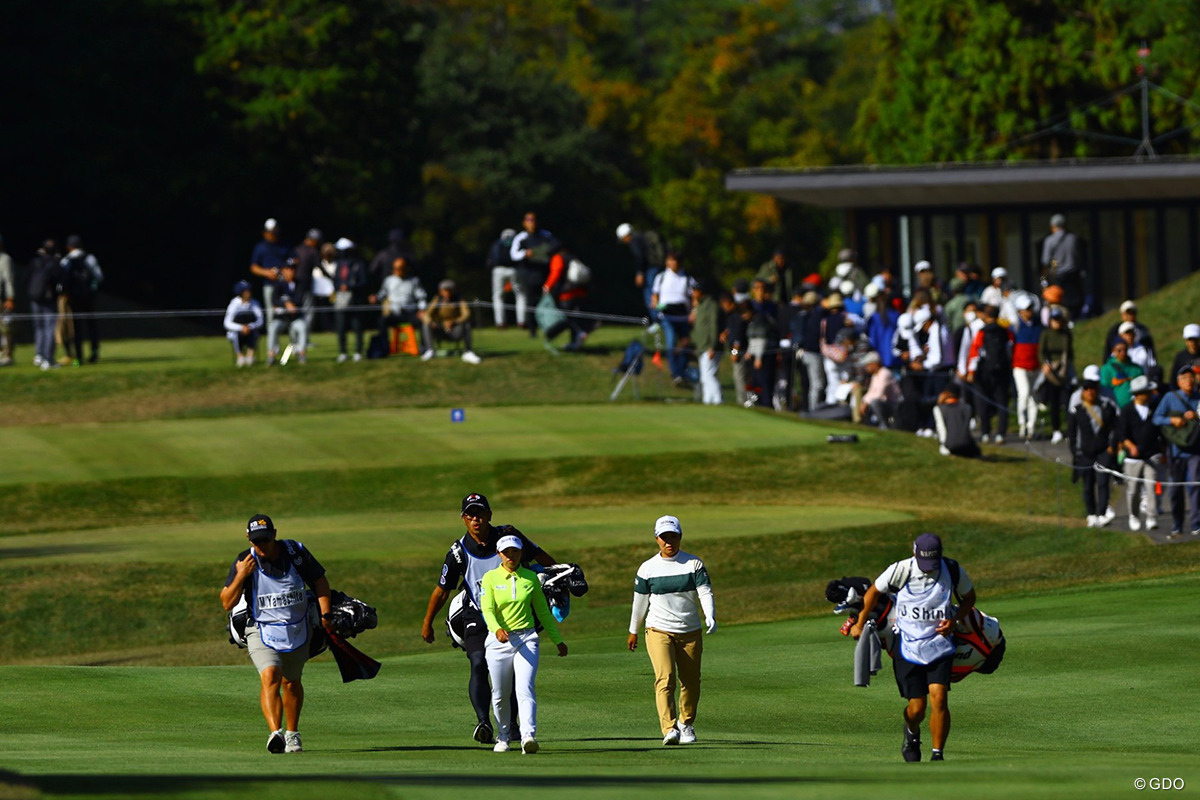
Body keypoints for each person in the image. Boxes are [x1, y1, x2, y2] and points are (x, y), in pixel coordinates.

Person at [421, 493, 559, 745]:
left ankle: (513, 727)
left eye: (480, 514)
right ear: (463, 519)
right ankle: (484, 723)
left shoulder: (509, 538)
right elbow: (442, 590)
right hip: (476, 614)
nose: (476, 519)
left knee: (512, 671)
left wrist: (560, 573)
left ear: (489, 515)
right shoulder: (458, 552)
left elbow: (541, 556)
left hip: (511, 617)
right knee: (478, 662)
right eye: (470, 515)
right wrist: (427, 623)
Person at [850, 533, 976, 762]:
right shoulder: (901, 570)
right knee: (917, 708)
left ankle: (937, 755)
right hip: (907, 645)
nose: (928, 569)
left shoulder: (952, 570)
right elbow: (873, 592)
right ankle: (911, 731)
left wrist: (954, 620)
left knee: (939, 698)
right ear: (914, 554)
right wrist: (859, 623)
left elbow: (969, 598)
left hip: (940, 645)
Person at [220, 514, 333, 755]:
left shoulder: (295, 552)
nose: (261, 545)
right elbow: (227, 602)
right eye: (256, 541)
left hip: (297, 627)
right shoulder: (244, 560)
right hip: (260, 628)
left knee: (291, 682)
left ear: (275, 535)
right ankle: (276, 733)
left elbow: (320, 582)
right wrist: (241, 575)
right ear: (248, 539)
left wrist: (325, 615)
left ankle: (292, 734)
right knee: (270, 674)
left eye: (265, 540)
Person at [628, 515, 716, 747]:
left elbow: (704, 591)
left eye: (673, 536)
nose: (669, 542)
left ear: (680, 537)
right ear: (656, 539)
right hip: (658, 630)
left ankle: (685, 723)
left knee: (691, 682)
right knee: (665, 678)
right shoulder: (647, 568)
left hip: (690, 631)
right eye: (664, 537)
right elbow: (639, 602)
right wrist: (633, 630)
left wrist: (710, 614)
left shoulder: (693, 563)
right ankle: (669, 729)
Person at [478, 534, 568, 754]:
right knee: (500, 693)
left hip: (527, 639)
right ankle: (503, 737)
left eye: (515, 551)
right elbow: (487, 609)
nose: (511, 556)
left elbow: (543, 612)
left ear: (521, 553)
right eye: (506, 552)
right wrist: (496, 629)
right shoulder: (490, 578)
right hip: (498, 641)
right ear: (499, 554)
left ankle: (528, 736)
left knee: (525, 688)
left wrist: (557, 640)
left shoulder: (530, 578)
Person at [1151, 367, 1200, 538]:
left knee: (1195, 487)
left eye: (1191, 377)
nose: (1189, 381)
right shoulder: (1170, 397)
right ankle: (1177, 524)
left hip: (1195, 450)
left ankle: (1196, 523)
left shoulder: (1198, 398)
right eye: (1185, 378)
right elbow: (1156, 418)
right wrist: (1172, 420)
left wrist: (1196, 416)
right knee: (1175, 490)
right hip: (1175, 451)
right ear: (1179, 382)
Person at [1067, 373, 1118, 528]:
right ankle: (1091, 513)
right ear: (1083, 392)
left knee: (1103, 483)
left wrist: (1112, 447)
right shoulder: (1077, 410)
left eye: (1092, 389)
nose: (1090, 392)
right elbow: (1072, 433)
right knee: (1088, 485)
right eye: (1086, 389)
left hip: (1103, 451)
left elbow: (1115, 427)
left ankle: (1102, 512)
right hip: (1085, 453)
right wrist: (1076, 452)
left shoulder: (1106, 407)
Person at [1118, 375, 1162, 531]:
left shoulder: (1154, 408)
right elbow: (1121, 434)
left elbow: (1159, 431)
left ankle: (1151, 517)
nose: (1150, 394)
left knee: (1151, 487)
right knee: (1133, 490)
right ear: (1138, 394)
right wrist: (1130, 446)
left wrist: (1162, 450)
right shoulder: (1127, 410)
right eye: (1147, 392)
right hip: (1133, 458)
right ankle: (1134, 515)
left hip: (1152, 454)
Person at [967, 305, 1013, 444]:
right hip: (1002, 371)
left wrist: (971, 371)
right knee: (1002, 402)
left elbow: (975, 352)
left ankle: (985, 432)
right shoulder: (1005, 331)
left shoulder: (982, 332)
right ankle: (1001, 433)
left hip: (984, 372)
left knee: (982, 403)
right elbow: (1011, 348)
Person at [650, 252, 698, 387]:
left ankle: (682, 372)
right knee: (671, 344)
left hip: (683, 317)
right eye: (670, 260)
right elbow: (654, 295)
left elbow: (695, 297)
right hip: (667, 317)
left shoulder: (687, 278)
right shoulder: (661, 277)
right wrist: (655, 304)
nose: (673, 263)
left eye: (675, 260)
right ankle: (676, 374)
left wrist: (694, 311)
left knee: (685, 345)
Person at [511, 212, 559, 335]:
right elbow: (513, 255)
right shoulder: (521, 237)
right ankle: (532, 329)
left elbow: (556, 245)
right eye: (529, 220)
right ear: (524, 223)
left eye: (533, 220)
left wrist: (544, 251)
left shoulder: (545, 235)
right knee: (530, 301)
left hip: (544, 273)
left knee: (547, 300)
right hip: (528, 274)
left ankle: (549, 326)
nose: (531, 223)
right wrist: (525, 253)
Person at [60, 235, 104, 365]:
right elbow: (99, 276)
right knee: (91, 325)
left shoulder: (66, 260)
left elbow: (62, 281)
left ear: (69, 247)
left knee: (76, 327)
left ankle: (78, 357)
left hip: (74, 298)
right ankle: (94, 352)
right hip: (88, 297)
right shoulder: (89, 258)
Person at [421, 279, 482, 364]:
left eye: (450, 290)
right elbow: (426, 314)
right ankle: (430, 350)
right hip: (439, 329)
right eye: (445, 290)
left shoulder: (459, 299)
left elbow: (466, 314)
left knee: (467, 324)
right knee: (425, 325)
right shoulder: (437, 299)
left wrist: (455, 322)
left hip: (455, 329)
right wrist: (431, 322)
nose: (447, 293)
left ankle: (468, 352)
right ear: (440, 291)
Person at [1039, 305, 1074, 444]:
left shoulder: (1066, 334)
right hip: (1051, 370)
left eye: (1059, 320)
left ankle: (1070, 429)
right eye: (1054, 320)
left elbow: (1070, 353)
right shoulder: (1046, 334)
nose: (1057, 322)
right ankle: (1056, 429)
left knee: (1067, 402)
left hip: (1064, 369)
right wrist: (1045, 364)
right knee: (1054, 402)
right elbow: (1041, 352)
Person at [1041, 213, 1085, 321]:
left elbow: (1045, 260)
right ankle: (1074, 320)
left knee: (1058, 301)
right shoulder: (1073, 238)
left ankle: (1061, 321)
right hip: (1073, 274)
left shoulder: (1050, 240)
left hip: (1058, 276)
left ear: (1052, 226)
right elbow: (1079, 257)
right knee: (1074, 302)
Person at [1011, 294, 1043, 440]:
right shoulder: (1015, 326)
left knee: (1034, 397)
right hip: (1020, 366)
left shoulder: (1038, 325)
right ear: (1019, 311)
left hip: (1035, 365)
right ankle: (1022, 423)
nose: (1029, 312)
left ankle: (1031, 426)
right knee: (1023, 394)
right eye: (1026, 309)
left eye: (1030, 308)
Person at [616, 223, 666, 314]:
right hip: (657, 266)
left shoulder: (634, 241)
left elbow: (640, 257)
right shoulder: (641, 237)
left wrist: (640, 273)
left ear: (625, 236)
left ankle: (657, 317)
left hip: (649, 270)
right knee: (657, 292)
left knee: (650, 294)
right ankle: (662, 316)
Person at [250, 218, 291, 329]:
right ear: (265, 232)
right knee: (271, 313)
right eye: (271, 232)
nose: (273, 235)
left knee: (289, 311)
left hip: (284, 284)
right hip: (269, 284)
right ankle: (272, 339)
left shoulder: (284, 244)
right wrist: (267, 272)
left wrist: (287, 269)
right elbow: (253, 267)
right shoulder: (260, 247)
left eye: (275, 232)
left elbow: (293, 259)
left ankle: (291, 337)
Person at [268, 259, 310, 365]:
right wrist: (286, 303)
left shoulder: (299, 284)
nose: (291, 271)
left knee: (302, 327)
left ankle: (301, 354)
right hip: (281, 318)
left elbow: (299, 300)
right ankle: (271, 355)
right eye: (288, 269)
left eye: (293, 269)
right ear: (283, 270)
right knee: (272, 328)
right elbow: (274, 300)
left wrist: (287, 302)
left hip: (295, 318)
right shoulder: (278, 284)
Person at [28, 240, 62, 370]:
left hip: (35, 299)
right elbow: (61, 282)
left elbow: (27, 279)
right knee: (49, 328)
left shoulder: (35, 262)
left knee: (39, 328)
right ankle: (48, 359)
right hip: (49, 300)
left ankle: (39, 355)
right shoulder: (54, 263)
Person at [332, 238, 368, 362]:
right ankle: (343, 352)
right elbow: (335, 280)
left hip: (355, 300)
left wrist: (350, 286)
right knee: (341, 327)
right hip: (341, 299)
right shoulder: (339, 263)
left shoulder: (358, 264)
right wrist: (339, 286)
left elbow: (363, 281)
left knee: (357, 326)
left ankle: (358, 352)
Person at [689, 281, 722, 405]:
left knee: (708, 376)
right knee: (705, 377)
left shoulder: (711, 304)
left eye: (694, 290)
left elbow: (713, 326)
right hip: (701, 347)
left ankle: (718, 400)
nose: (693, 293)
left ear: (701, 291)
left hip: (709, 347)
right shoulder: (699, 305)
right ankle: (708, 402)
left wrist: (712, 346)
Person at [224, 280, 264, 367]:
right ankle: (240, 357)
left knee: (255, 334)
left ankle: (250, 357)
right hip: (237, 331)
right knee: (235, 335)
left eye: (249, 290)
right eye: (246, 291)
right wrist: (241, 328)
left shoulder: (255, 303)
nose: (248, 293)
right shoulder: (234, 304)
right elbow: (227, 323)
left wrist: (250, 326)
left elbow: (260, 320)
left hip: (250, 330)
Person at [1102, 300, 1156, 364]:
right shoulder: (1114, 331)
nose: (1130, 316)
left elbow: (1150, 351)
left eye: (1132, 313)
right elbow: (1108, 350)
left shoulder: (1143, 330)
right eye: (1128, 313)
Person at [934, 384, 980, 458]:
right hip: (967, 444)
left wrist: (943, 446)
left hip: (950, 445)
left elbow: (941, 430)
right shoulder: (967, 407)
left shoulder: (939, 409)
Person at [488, 228, 521, 328]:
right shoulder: (516, 243)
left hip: (498, 270)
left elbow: (491, 259)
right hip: (514, 269)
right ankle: (522, 322)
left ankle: (500, 322)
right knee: (520, 295)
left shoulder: (497, 244)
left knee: (498, 296)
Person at [1100, 340, 1144, 408]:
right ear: (1113, 351)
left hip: (1135, 406)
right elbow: (1105, 389)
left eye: (1125, 350)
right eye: (1119, 350)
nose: (1122, 352)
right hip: (1116, 407)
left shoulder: (1136, 368)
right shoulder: (1107, 369)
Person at [1169, 324, 1200, 389]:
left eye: (1195, 339)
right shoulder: (1180, 357)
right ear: (1186, 341)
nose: (1192, 342)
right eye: (1190, 339)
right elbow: (1174, 379)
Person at [0, 234, 13, 366]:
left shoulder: (5, 259)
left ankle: (7, 356)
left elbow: (8, 279)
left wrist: (10, 297)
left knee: (5, 329)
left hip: (1, 299)